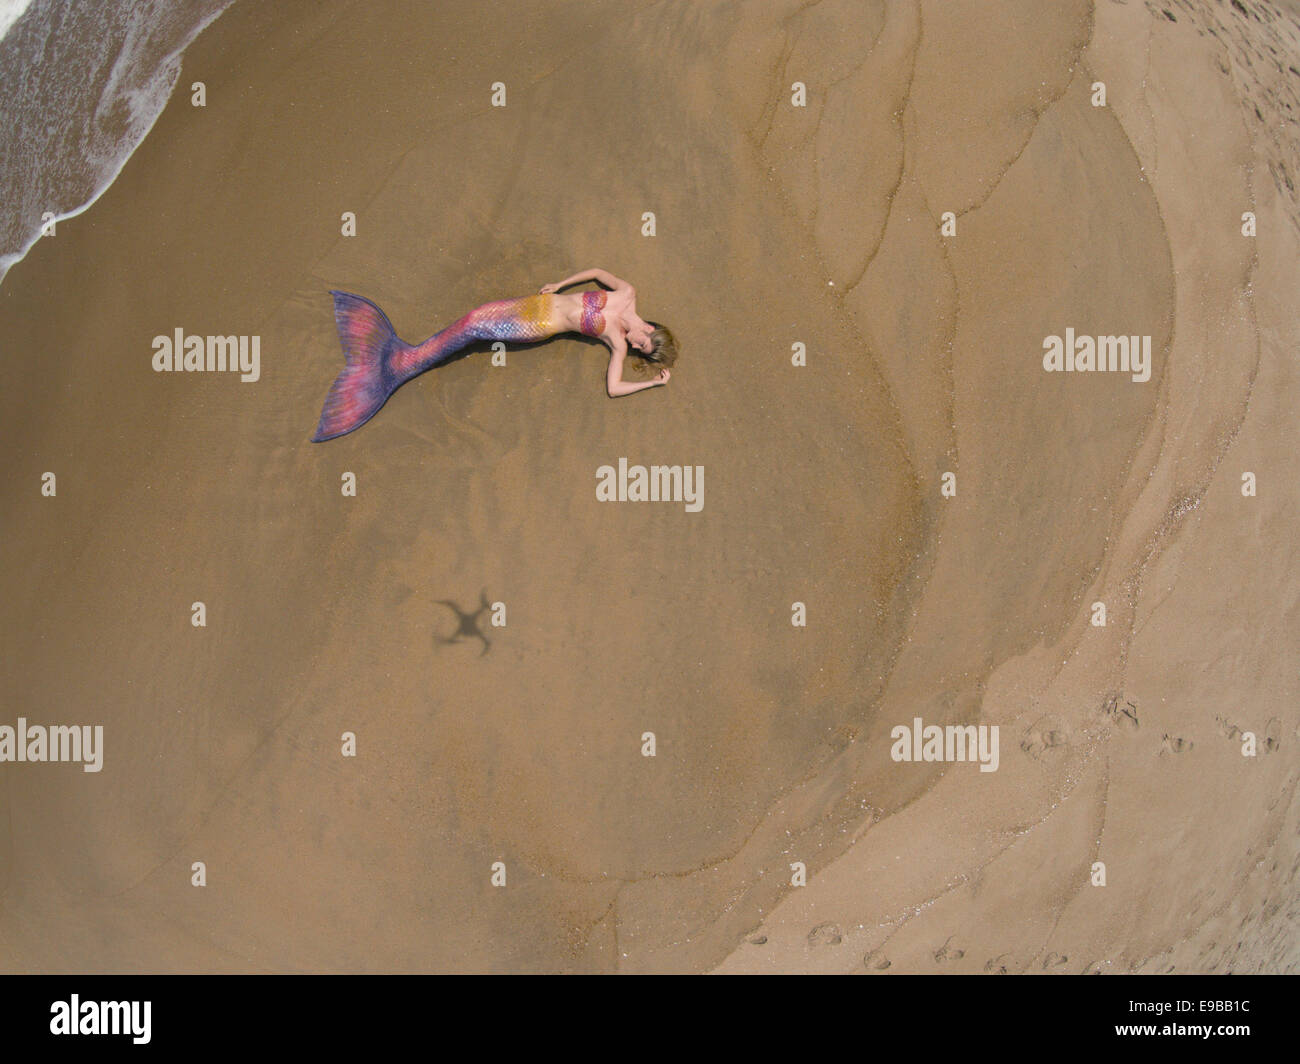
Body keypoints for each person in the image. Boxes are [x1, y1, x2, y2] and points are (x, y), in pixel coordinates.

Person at [311, 267, 678, 442]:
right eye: (642, 344)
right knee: (473, 317)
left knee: (473, 330)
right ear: (651, 330)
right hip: (540, 303)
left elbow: (614, 388)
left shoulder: (615, 340)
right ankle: (399, 359)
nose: (633, 346)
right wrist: (562, 284)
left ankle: (401, 365)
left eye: (639, 351)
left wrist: (652, 385)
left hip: (538, 327)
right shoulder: (627, 293)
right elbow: (598, 271)